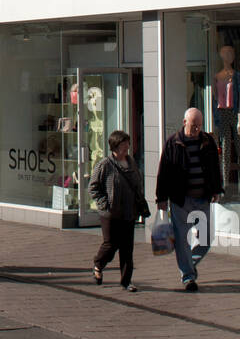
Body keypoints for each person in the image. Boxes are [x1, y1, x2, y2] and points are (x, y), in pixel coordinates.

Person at [157, 108, 223, 292]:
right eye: (193, 126)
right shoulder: (173, 142)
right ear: (184, 122)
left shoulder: (207, 141)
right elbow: (164, 171)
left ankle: (189, 265)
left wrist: (216, 189)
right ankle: (188, 277)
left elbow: (214, 167)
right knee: (182, 240)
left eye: (199, 126)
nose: (196, 130)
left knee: (206, 238)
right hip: (181, 199)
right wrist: (161, 198)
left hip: (202, 197)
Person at [89, 130, 150, 291]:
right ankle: (98, 264)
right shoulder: (105, 165)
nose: (126, 148)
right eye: (123, 145)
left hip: (129, 212)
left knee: (127, 248)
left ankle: (126, 281)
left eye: (127, 145)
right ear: (114, 147)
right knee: (110, 244)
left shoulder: (131, 162)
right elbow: (93, 187)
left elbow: (137, 183)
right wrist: (104, 204)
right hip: (110, 213)